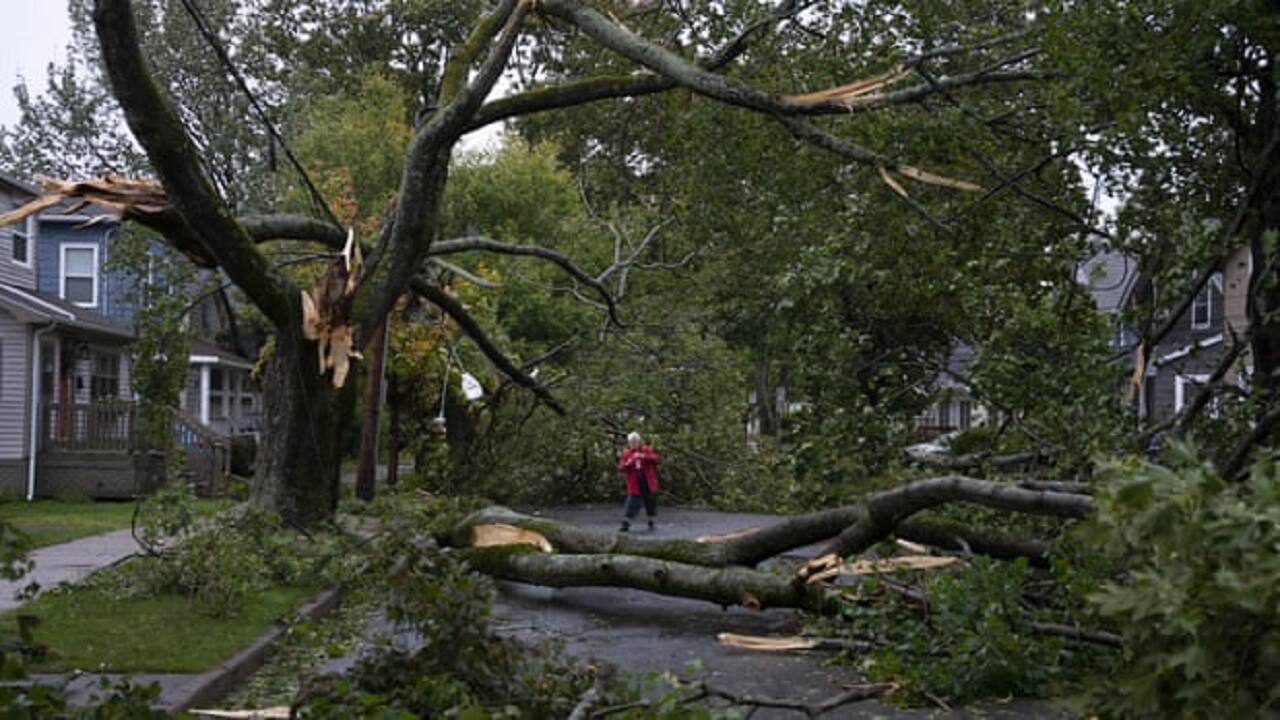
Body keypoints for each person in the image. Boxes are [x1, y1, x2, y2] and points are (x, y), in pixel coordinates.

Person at [617, 431, 660, 532]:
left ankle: (651, 520)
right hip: (634, 482)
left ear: (639, 441)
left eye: (635, 442)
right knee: (632, 501)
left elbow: (656, 459)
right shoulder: (626, 453)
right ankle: (626, 523)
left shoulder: (645, 449)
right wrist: (628, 463)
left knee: (650, 501)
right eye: (632, 442)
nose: (634, 444)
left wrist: (643, 456)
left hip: (647, 480)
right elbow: (621, 467)